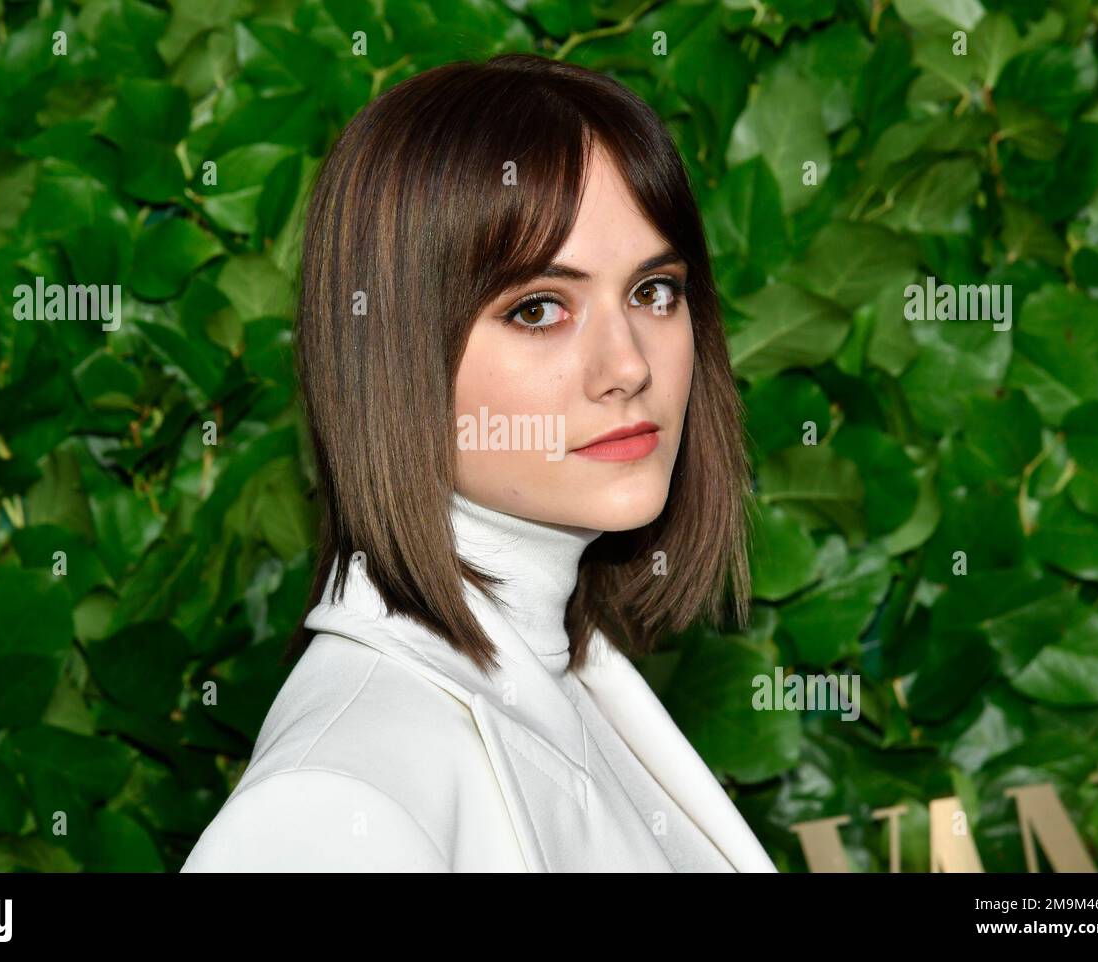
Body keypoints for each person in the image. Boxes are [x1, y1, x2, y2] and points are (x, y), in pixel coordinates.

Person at [182, 52, 776, 872]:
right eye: (539, 308)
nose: (630, 366)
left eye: (653, 292)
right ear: (389, 354)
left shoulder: (571, 678)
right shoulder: (332, 803)